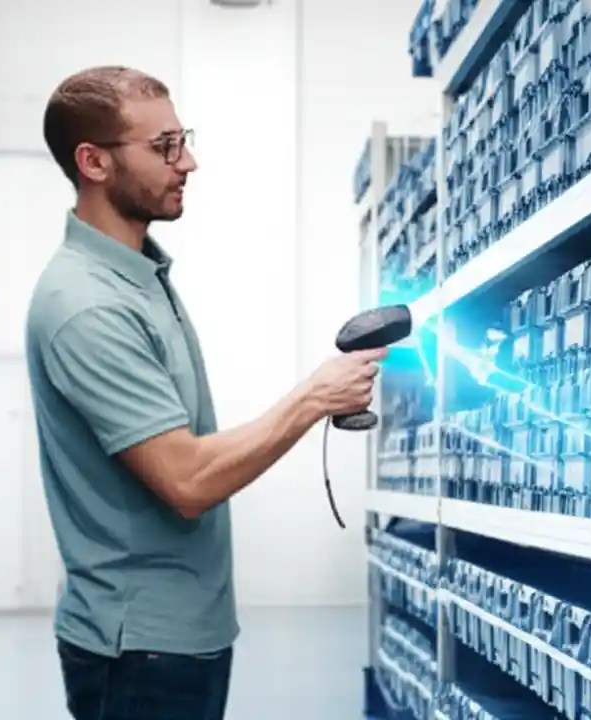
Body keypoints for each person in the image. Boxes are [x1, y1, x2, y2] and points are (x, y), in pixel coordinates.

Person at [23, 65, 385, 720]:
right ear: (93, 162)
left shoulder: (138, 276)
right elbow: (186, 482)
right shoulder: (87, 305)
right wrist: (313, 399)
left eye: (181, 138)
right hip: (139, 650)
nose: (187, 161)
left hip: (179, 636)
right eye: (163, 146)